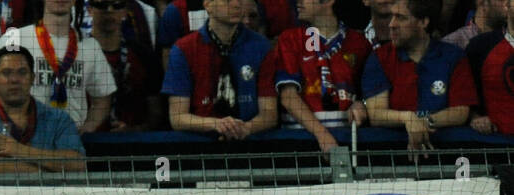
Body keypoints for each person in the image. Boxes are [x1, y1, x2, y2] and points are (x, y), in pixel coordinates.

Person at [0, 0, 116, 134]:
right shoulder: (15, 39)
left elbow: (102, 99)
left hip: (69, 143)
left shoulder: (90, 47)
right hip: (24, 138)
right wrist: (5, 125)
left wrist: (87, 128)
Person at [362, 0, 477, 151]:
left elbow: (461, 111)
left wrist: (423, 122)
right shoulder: (380, 58)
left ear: (423, 22)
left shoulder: (453, 57)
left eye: (401, 18)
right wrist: (408, 119)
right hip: (393, 153)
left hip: (447, 153)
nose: (392, 24)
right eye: (392, 17)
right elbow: (376, 114)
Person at [163, 0, 277, 140]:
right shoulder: (184, 49)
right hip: (200, 143)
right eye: (227, 0)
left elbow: (270, 115)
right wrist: (217, 124)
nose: (237, 4)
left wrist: (244, 129)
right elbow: (177, 118)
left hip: (250, 141)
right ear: (207, 5)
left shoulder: (261, 47)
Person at [0, 47, 85, 172]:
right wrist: (51, 171)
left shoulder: (59, 119)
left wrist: (20, 150)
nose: (14, 80)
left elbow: (78, 164)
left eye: (22, 72)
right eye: (6, 73)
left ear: (32, 78)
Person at [273, 0, 371, 152]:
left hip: (348, 138)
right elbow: (288, 98)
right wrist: (321, 134)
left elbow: (369, 94)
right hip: (298, 140)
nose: (298, 1)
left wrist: (361, 104)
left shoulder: (359, 43)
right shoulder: (290, 39)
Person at [88, 0, 164, 131]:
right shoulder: (76, 53)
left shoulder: (144, 55)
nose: (110, 11)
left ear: (125, 11)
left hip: (133, 144)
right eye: (102, 5)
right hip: (86, 140)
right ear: (89, 10)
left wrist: (133, 130)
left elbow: (157, 116)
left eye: (117, 6)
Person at [464, 0, 514, 135]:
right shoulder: (480, 47)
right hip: (495, 142)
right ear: (506, 5)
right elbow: (466, 98)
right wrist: (476, 118)